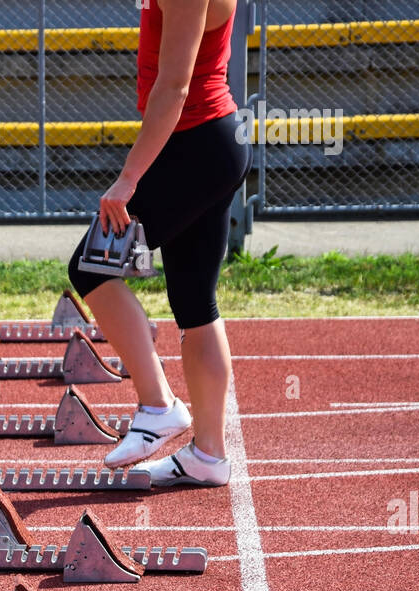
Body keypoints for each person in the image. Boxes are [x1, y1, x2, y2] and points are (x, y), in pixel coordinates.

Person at [67, 0, 251, 487]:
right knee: (194, 303)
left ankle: (157, 406)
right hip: (207, 145)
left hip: (197, 144)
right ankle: (208, 454)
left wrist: (128, 178)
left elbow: (174, 85)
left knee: (89, 269)